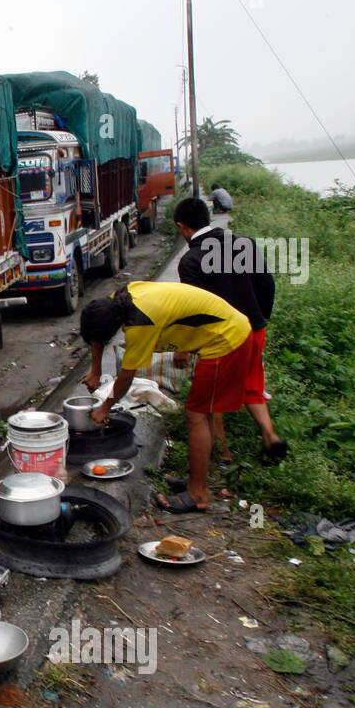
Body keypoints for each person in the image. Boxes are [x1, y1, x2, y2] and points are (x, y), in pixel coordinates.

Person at [80, 281, 251, 514]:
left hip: (226, 340)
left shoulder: (140, 322)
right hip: (223, 333)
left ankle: (198, 494)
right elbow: (97, 337)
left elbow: (126, 376)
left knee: (198, 414)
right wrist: (96, 370)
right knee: (202, 412)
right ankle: (197, 481)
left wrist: (105, 408)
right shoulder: (117, 300)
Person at [174, 197, 287, 464]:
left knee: (213, 396)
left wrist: (185, 347)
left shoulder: (191, 260)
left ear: (182, 227)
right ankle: (270, 435)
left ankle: (223, 453)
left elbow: (195, 310)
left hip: (223, 338)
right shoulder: (243, 243)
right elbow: (266, 283)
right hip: (255, 328)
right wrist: (260, 318)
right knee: (252, 385)